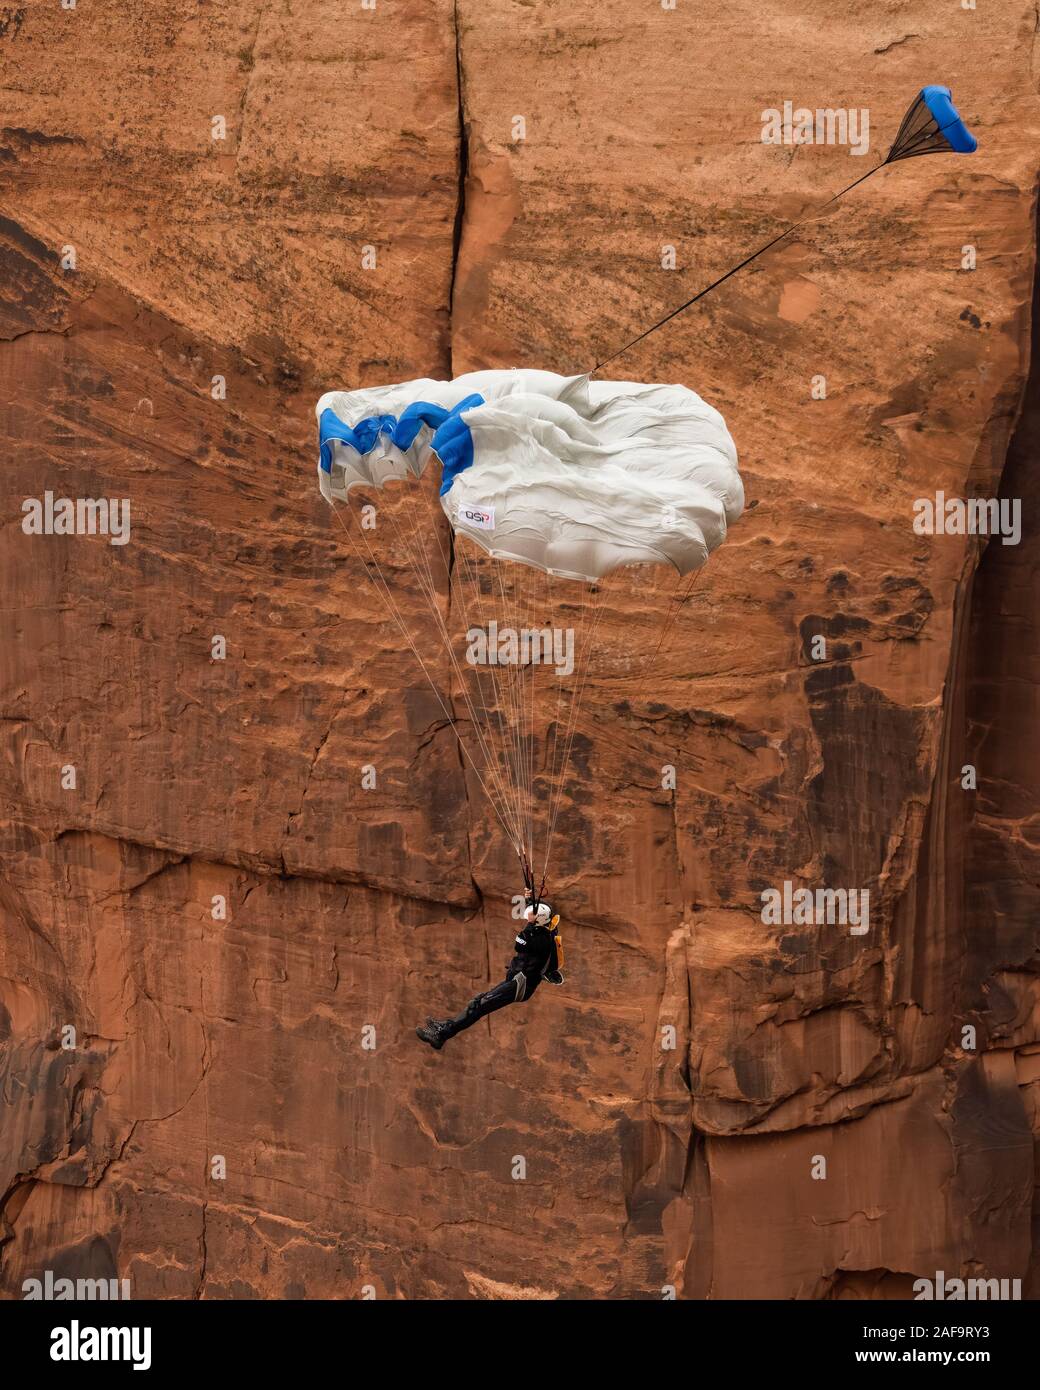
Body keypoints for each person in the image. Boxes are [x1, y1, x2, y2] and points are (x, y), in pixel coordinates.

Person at [416, 896, 564, 1050]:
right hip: (517, 981)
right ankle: (445, 1026)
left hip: (520, 985)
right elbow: (544, 910)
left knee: (480, 1006)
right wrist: (529, 899)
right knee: (477, 1002)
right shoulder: (549, 927)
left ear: (537, 920)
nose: (527, 918)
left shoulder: (537, 939)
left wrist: (530, 919)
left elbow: (520, 942)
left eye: (531, 917)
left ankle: (440, 1035)